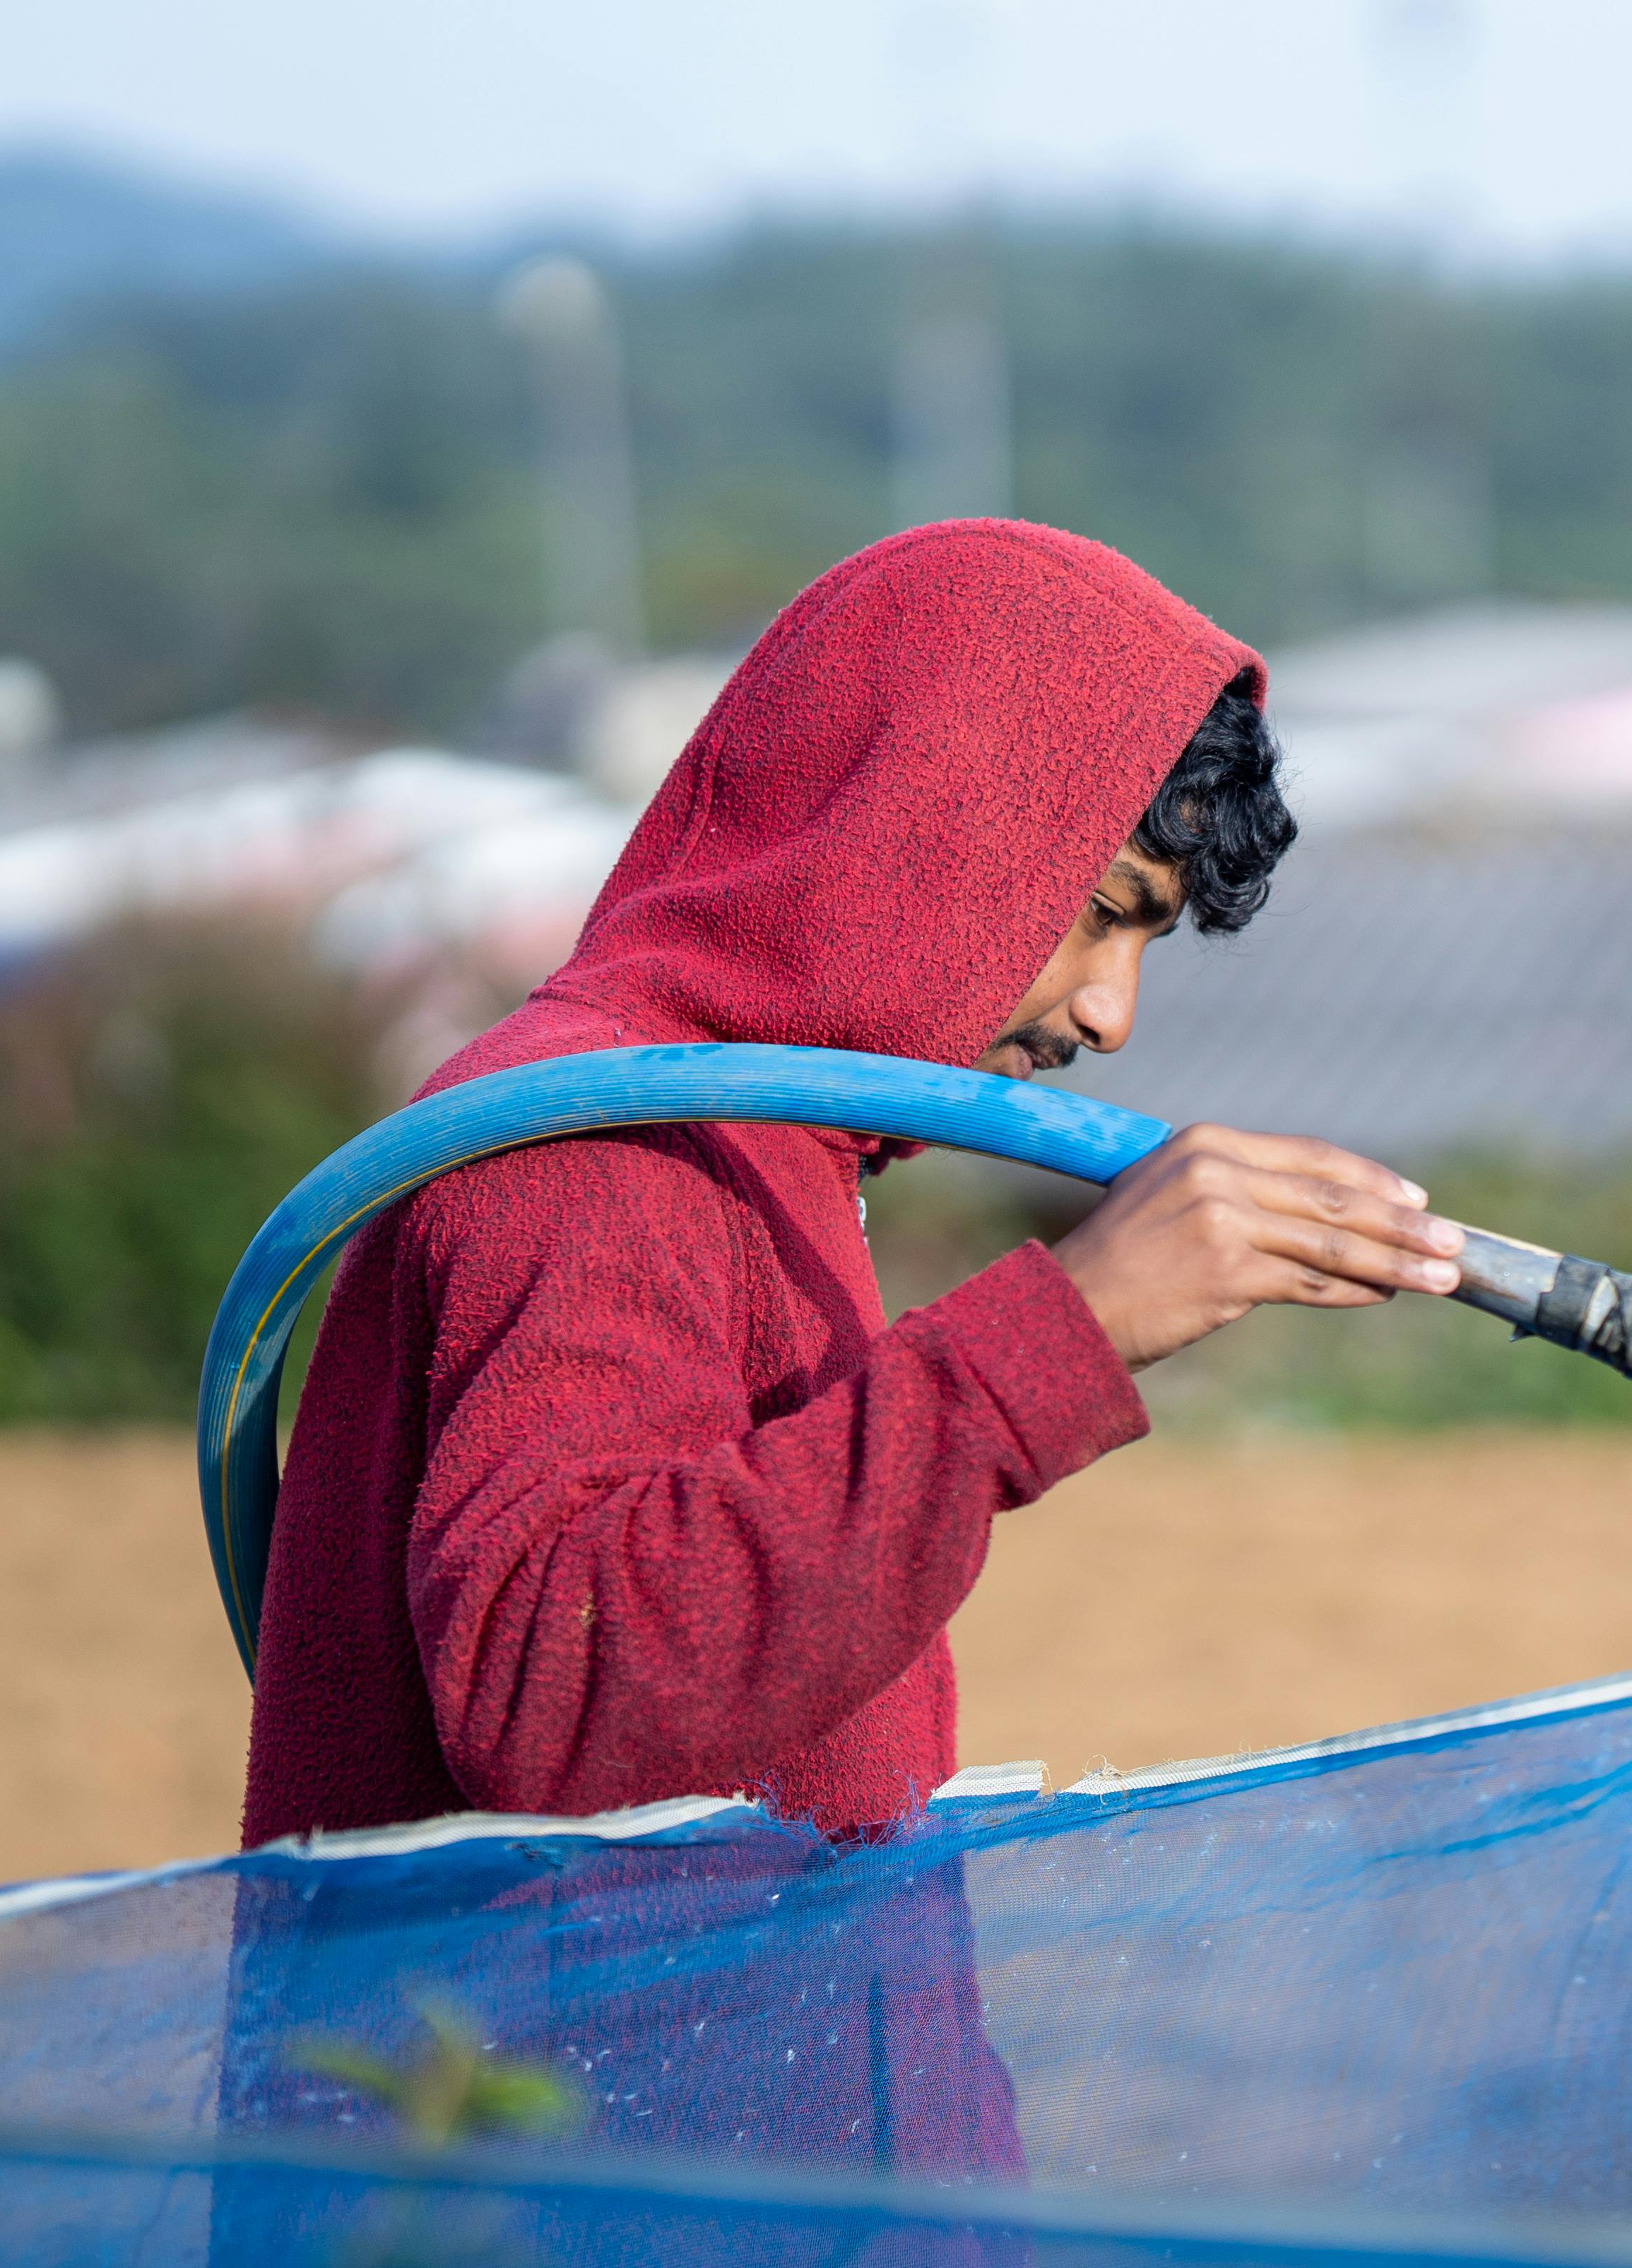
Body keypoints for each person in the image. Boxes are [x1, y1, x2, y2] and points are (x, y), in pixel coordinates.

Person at [237, 519, 1461, 1847]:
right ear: (929, 822)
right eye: (1101, 913)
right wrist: (1066, 1334)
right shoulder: (607, 1144)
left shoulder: (763, 1142)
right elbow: (563, 1696)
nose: (1112, 1017)